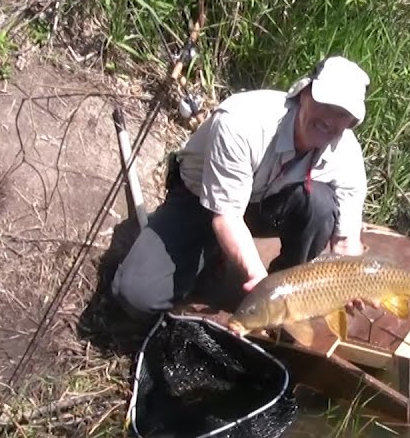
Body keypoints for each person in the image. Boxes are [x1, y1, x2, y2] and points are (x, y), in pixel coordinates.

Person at [110, 55, 370, 317]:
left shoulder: (347, 153)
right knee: (137, 296)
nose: (330, 119)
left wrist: (352, 281)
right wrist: (262, 284)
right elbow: (227, 218)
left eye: (343, 114)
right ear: (304, 93)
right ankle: (210, 257)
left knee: (321, 205)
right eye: (325, 104)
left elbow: (346, 241)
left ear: (351, 122)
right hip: (200, 203)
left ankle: (288, 296)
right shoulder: (243, 121)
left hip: (264, 204)